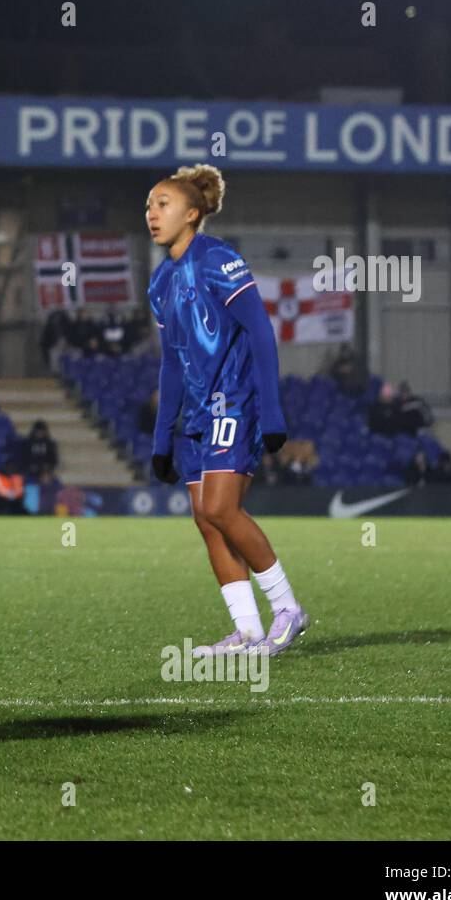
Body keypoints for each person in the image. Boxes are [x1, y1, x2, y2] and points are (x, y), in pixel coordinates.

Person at [145, 164, 307, 657]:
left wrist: (273, 411)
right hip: (195, 413)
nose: (152, 214)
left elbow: (260, 330)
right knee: (204, 518)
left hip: (234, 401)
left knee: (221, 507)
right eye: (149, 206)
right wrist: (161, 438)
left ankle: (288, 609)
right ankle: (248, 631)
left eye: (163, 205)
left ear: (192, 213)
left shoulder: (218, 258)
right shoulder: (159, 283)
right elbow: (171, 363)